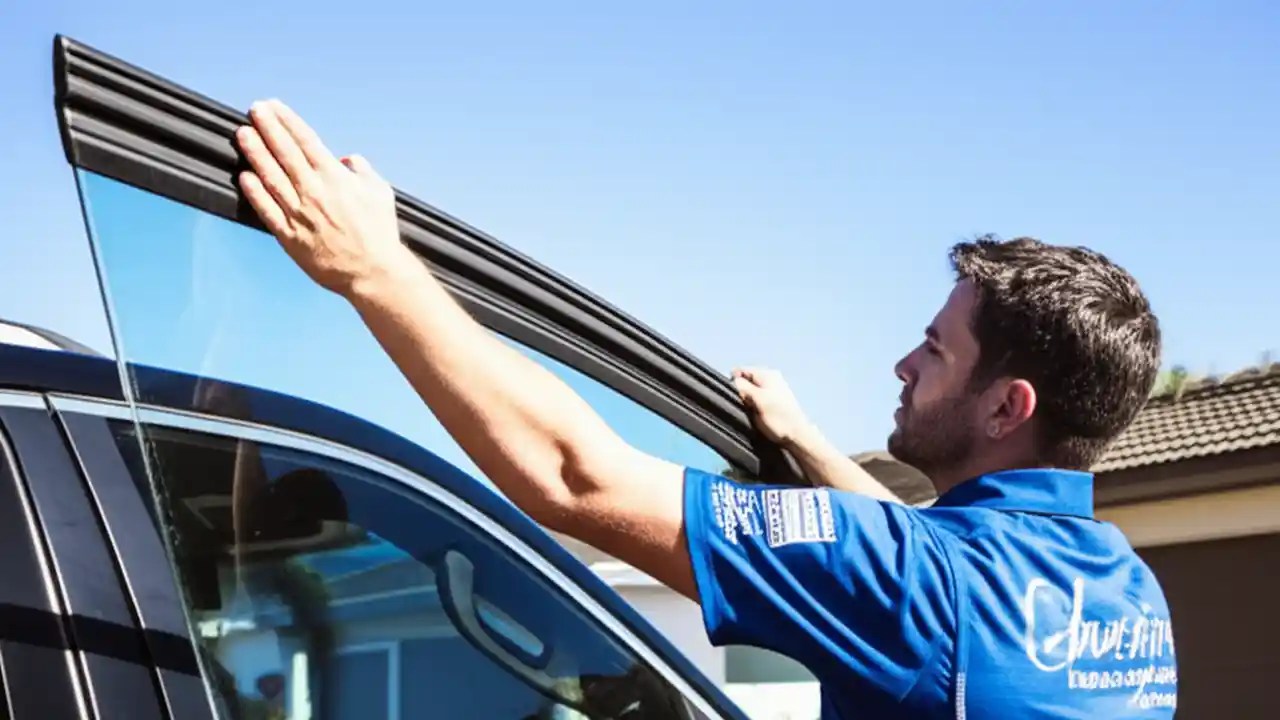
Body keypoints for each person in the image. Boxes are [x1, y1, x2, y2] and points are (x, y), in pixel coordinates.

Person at [232, 99, 1178, 718]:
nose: (902, 363)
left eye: (935, 352)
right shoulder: (1125, 595)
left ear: (1008, 407)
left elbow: (575, 476)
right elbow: (917, 555)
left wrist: (374, 270)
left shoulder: (913, 588)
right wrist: (802, 441)